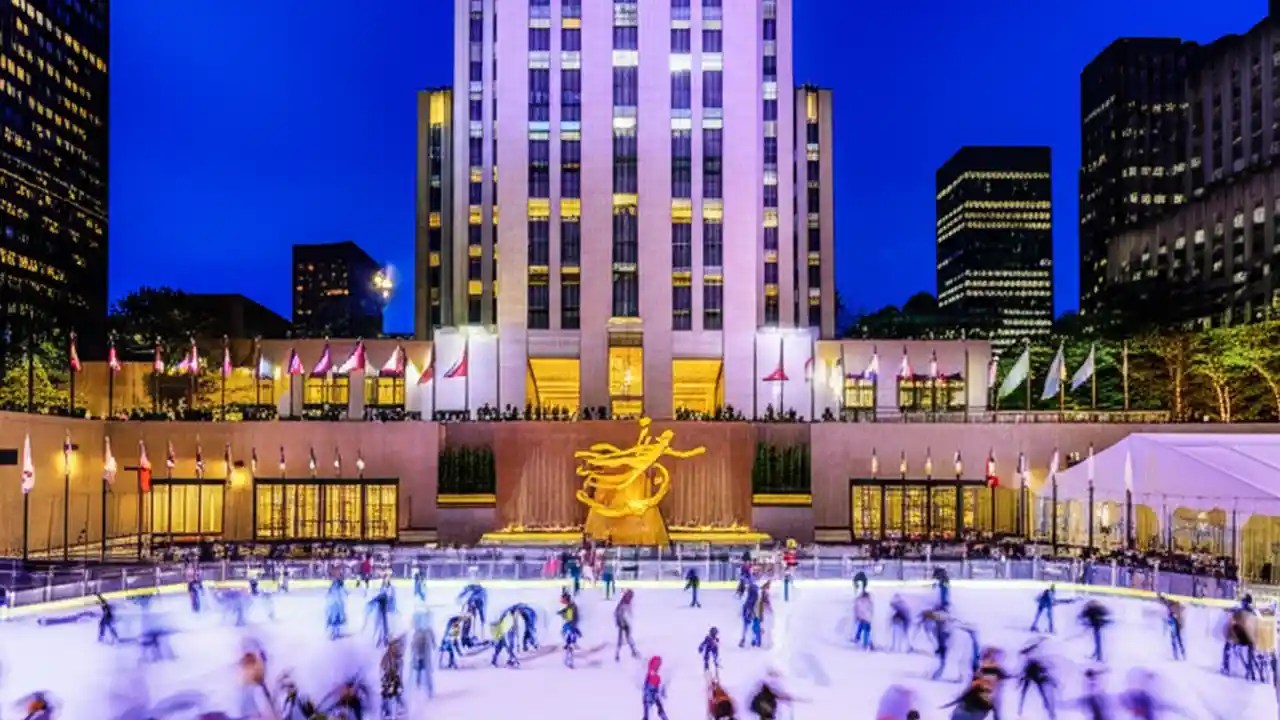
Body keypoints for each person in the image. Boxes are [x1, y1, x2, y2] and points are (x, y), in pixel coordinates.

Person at [1017, 640, 1057, 719]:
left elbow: (1042, 671)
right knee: (1035, 692)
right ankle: (1049, 711)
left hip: (1034, 675)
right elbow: (1042, 671)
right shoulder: (1032, 663)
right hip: (1033, 675)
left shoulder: (1033, 663)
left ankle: (1020, 709)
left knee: (1036, 692)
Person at [615, 589, 640, 661]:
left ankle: (633, 651)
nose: (630, 598)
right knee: (621, 639)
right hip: (621, 622)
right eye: (630, 596)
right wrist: (620, 622)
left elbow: (629, 613)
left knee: (628, 637)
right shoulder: (622, 604)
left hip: (625, 622)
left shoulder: (627, 603)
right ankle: (617, 654)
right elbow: (618, 614)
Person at [642, 656, 669, 720]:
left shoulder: (653, 674)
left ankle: (663, 716)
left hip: (652, 692)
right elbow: (650, 687)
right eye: (658, 665)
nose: (659, 667)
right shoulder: (653, 674)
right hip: (651, 691)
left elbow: (656, 686)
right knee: (650, 710)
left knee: (650, 710)